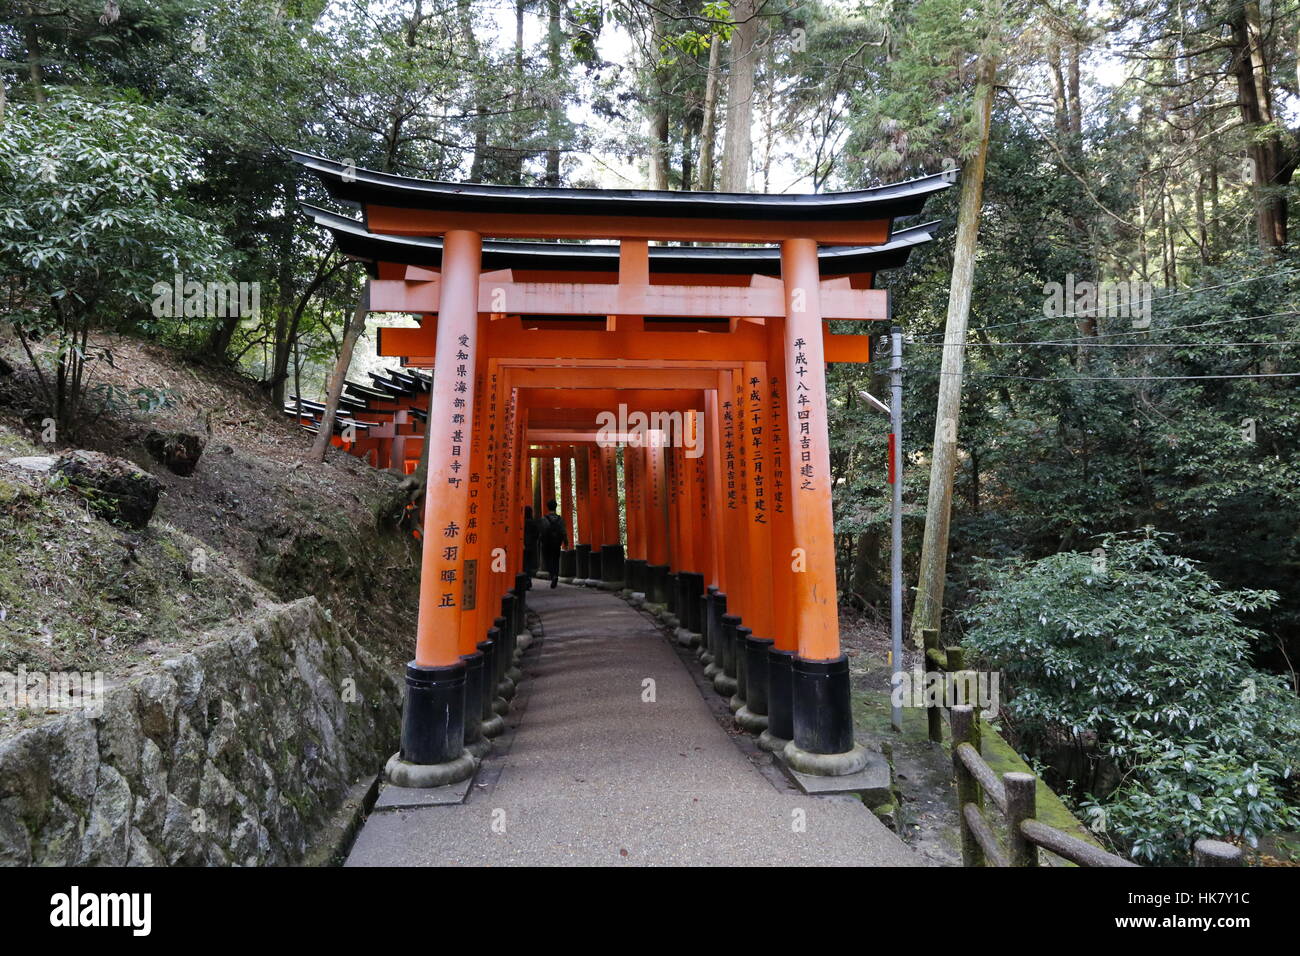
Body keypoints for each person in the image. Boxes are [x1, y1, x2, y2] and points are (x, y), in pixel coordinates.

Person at [539, 499, 568, 589]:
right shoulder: (560, 519)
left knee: (548, 559)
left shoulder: (544, 519)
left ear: (548, 507)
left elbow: (541, 532)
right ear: (555, 507)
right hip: (557, 543)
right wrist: (565, 541)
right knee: (556, 559)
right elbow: (563, 531)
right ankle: (555, 574)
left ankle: (552, 575)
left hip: (547, 543)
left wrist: (540, 541)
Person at [522, 506, 540, 588]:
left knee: (524, 564)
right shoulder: (534, 523)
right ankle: (528, 580)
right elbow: (537, 535)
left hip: (523, 545)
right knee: (529, 564)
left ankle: (524, 581)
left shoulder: (522, 523)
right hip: (531, 546)